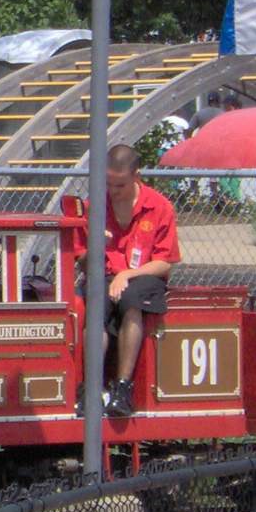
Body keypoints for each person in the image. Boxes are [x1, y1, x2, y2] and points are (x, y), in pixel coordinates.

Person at [76, 144, 182, 417]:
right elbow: (83, 262)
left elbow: (164, 261)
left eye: (120, 185)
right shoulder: (93, 207)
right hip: (103, 273)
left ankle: (123, 387)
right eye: (108, 183)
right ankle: (92, 387)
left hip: (144, 275)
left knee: (132, 300)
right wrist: (95, 248)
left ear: (136, 175)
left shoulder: (159, 207)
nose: (113, 191)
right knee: (96, 304)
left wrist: (127, 275)